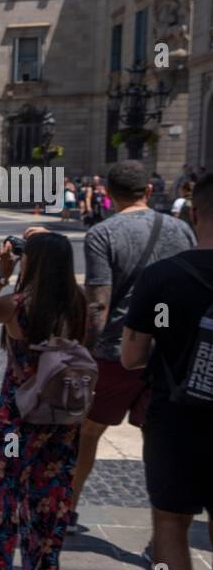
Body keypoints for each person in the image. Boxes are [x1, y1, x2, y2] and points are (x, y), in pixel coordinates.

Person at [0, 232, 86, 570]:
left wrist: (1, 275)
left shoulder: (16, 306)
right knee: (51, 493)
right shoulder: (77, 304)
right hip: (62, 418)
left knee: (2, 490)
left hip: (18, 420)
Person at [120, 173, 213, 570]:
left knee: (171, 525)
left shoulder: (164, 278)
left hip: (175, 419)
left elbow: (132, 358)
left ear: (193, 212)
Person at [70, 161, 196, 537]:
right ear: (148, 190)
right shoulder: (182, 230)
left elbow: (98, 303)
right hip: (170, 352)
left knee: (88, 431)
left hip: (116, 350)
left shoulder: (103, 233)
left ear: (108, 193)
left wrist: (87, 352)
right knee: (156, 437)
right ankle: (166, 525)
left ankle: (68, 508)